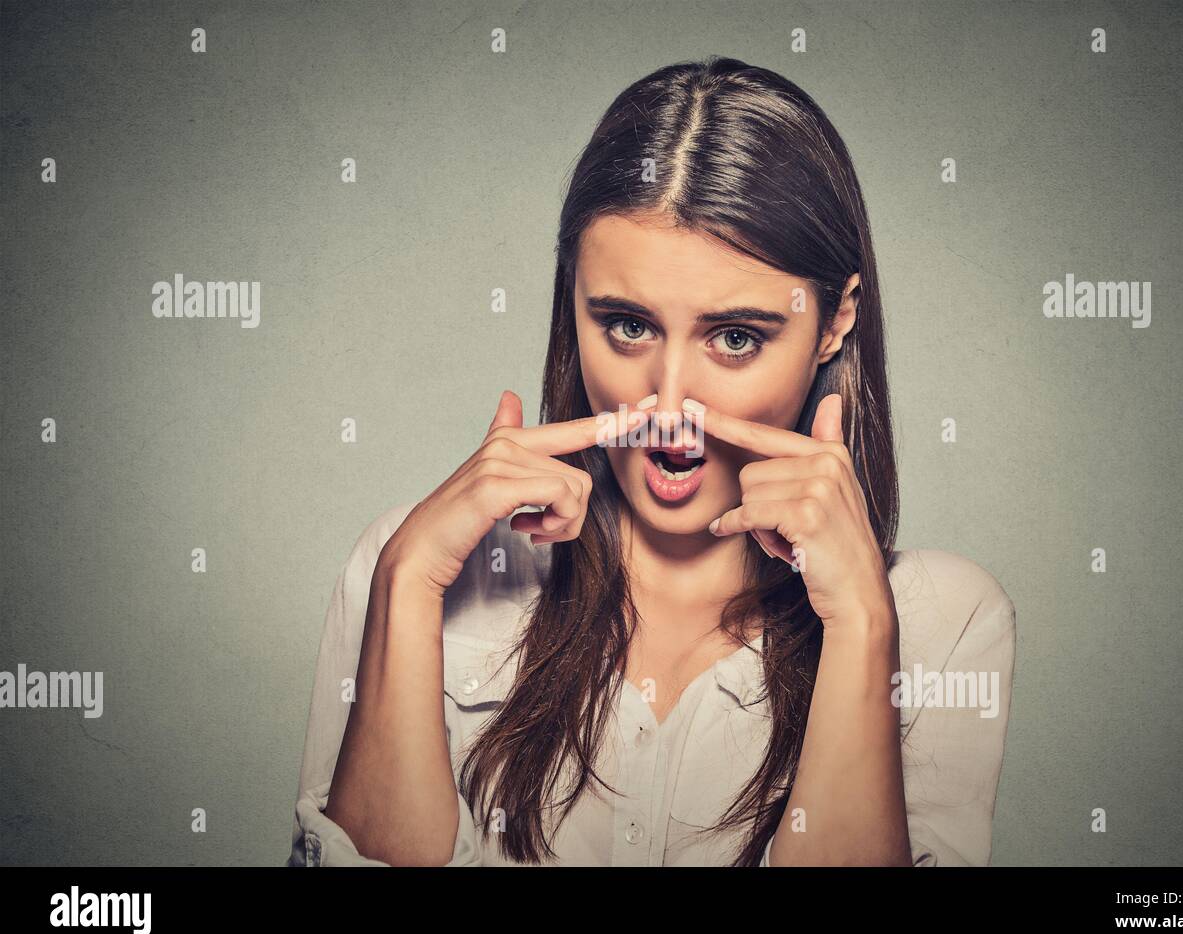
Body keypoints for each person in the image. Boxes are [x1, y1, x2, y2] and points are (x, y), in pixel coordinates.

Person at [288, 56, 1016, 867]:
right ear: (574, 300)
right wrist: (406, 577)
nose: (668, 407)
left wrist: (860, 626)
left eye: (735, 337)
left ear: (836, 321)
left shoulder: (941, 623)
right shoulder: (422, 568)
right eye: (628, 325)